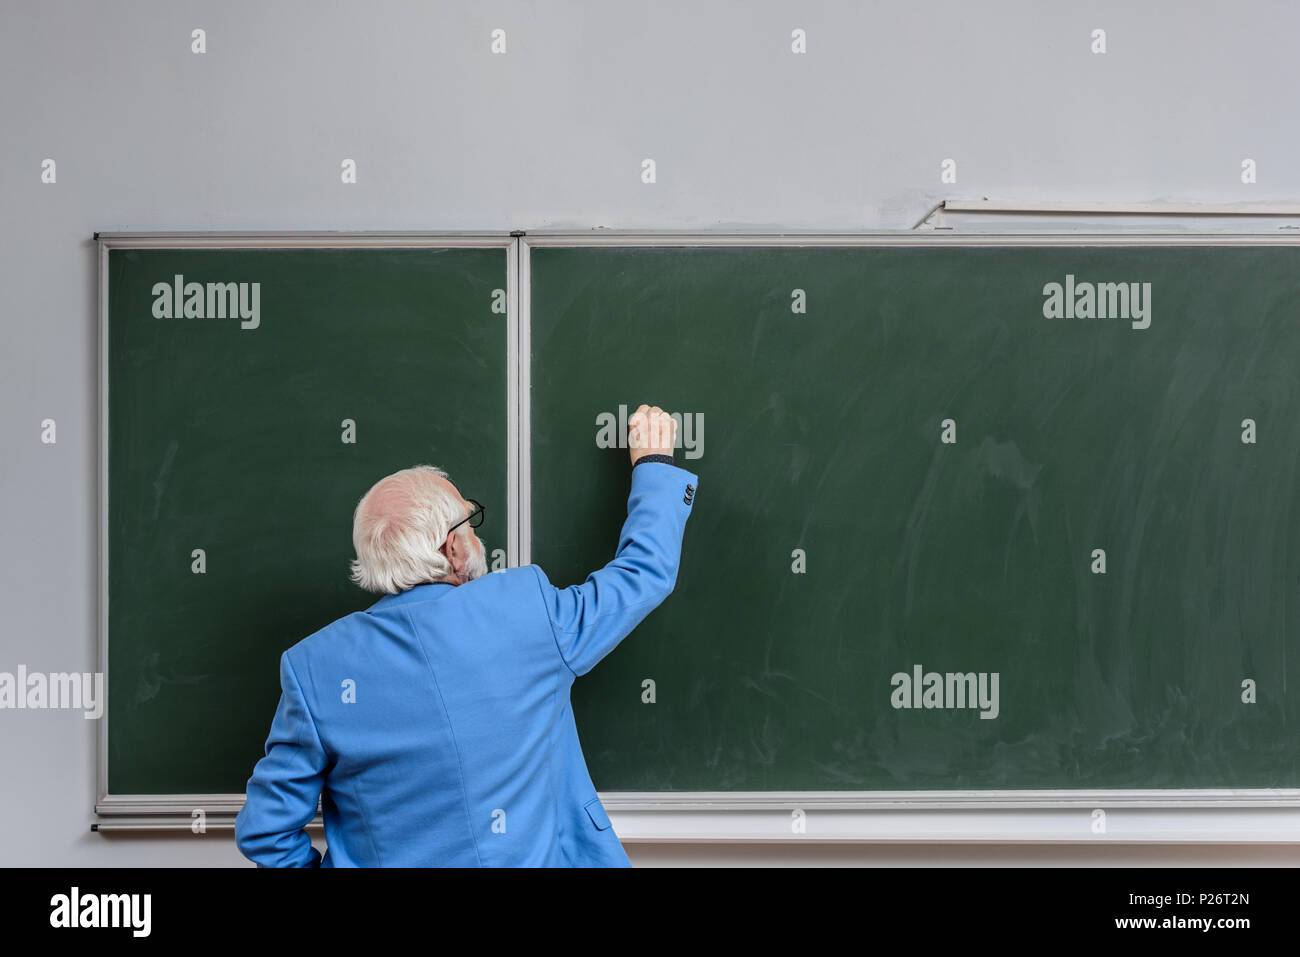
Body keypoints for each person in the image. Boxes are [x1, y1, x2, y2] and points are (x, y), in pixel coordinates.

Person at [234, 404, 698, 866]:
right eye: (469, 524)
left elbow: (266, 832)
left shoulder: (314, 668)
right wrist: (654, 464)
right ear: (452, 548)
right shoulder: (526, 610)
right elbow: (642, 576)